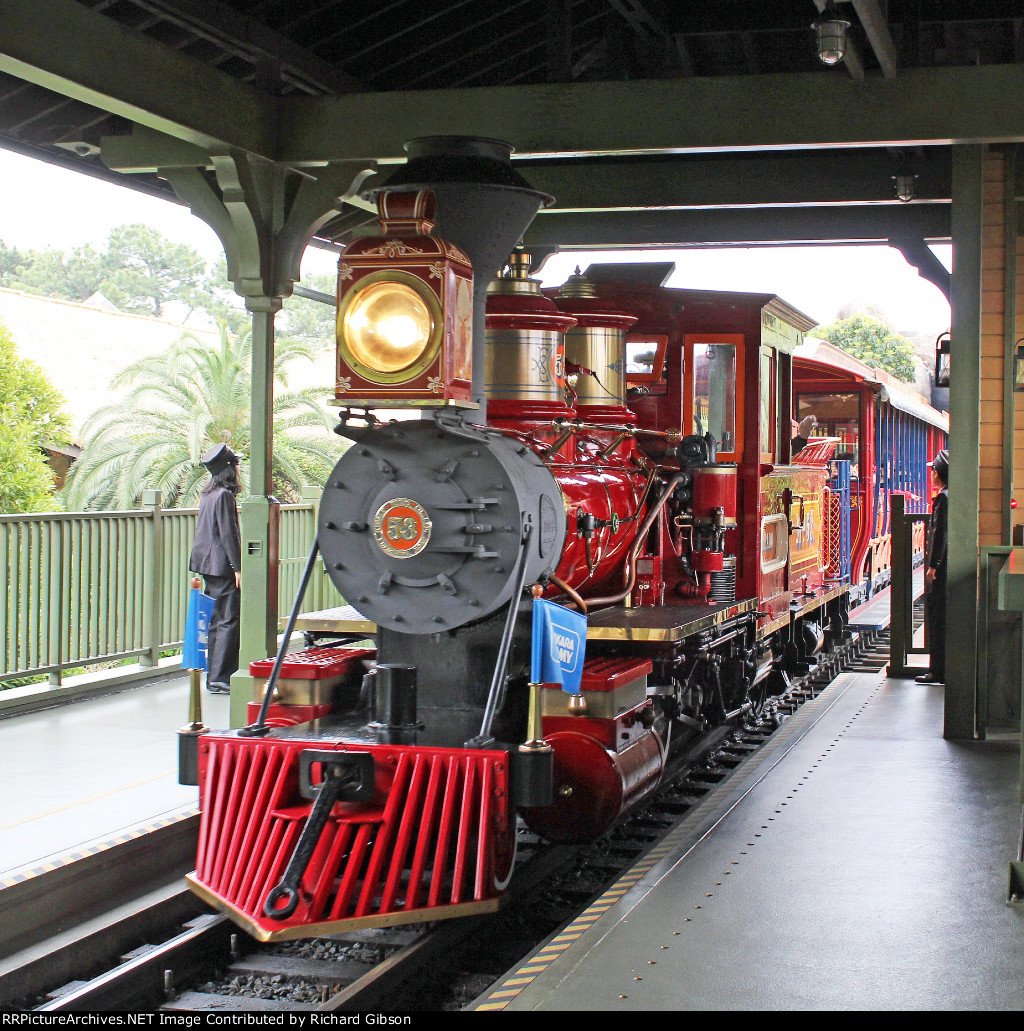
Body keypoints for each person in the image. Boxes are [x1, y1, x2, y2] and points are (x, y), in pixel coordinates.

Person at [189, 443, 242, 694]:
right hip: (222, 565)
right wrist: (239, 568)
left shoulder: (208, 494)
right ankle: (222, 676)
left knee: (215, 619)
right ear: (229, 468)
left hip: (208, 565)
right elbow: (228, 534)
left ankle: (214, 675)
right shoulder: (225, 496)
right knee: (228, 619)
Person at [916, 449, 948, 685]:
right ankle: (938, 669)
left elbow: (939, 534)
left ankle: (937, 671)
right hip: (944, 567)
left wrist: (933, 566)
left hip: (942, 570)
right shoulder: (948, 495)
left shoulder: (944, 498)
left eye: (933, 471)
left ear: (938, 474)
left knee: (937, 620)